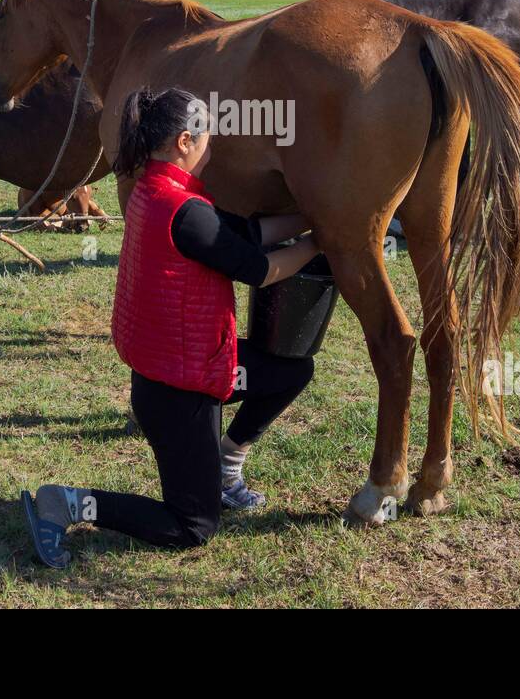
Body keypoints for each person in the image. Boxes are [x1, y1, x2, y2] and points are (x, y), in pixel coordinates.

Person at [23, 87, 321, 566]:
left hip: (189, 368)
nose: (212, 147)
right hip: (180, 393)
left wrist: (309, 217)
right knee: (193, 526)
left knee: (291, 371)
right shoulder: (186, 212)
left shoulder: (158, 192)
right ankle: (70, 502)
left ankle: (227, 463)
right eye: (208, 139)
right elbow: (260, 268)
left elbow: (243, 234)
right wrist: (320, 240)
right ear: (185, 141)